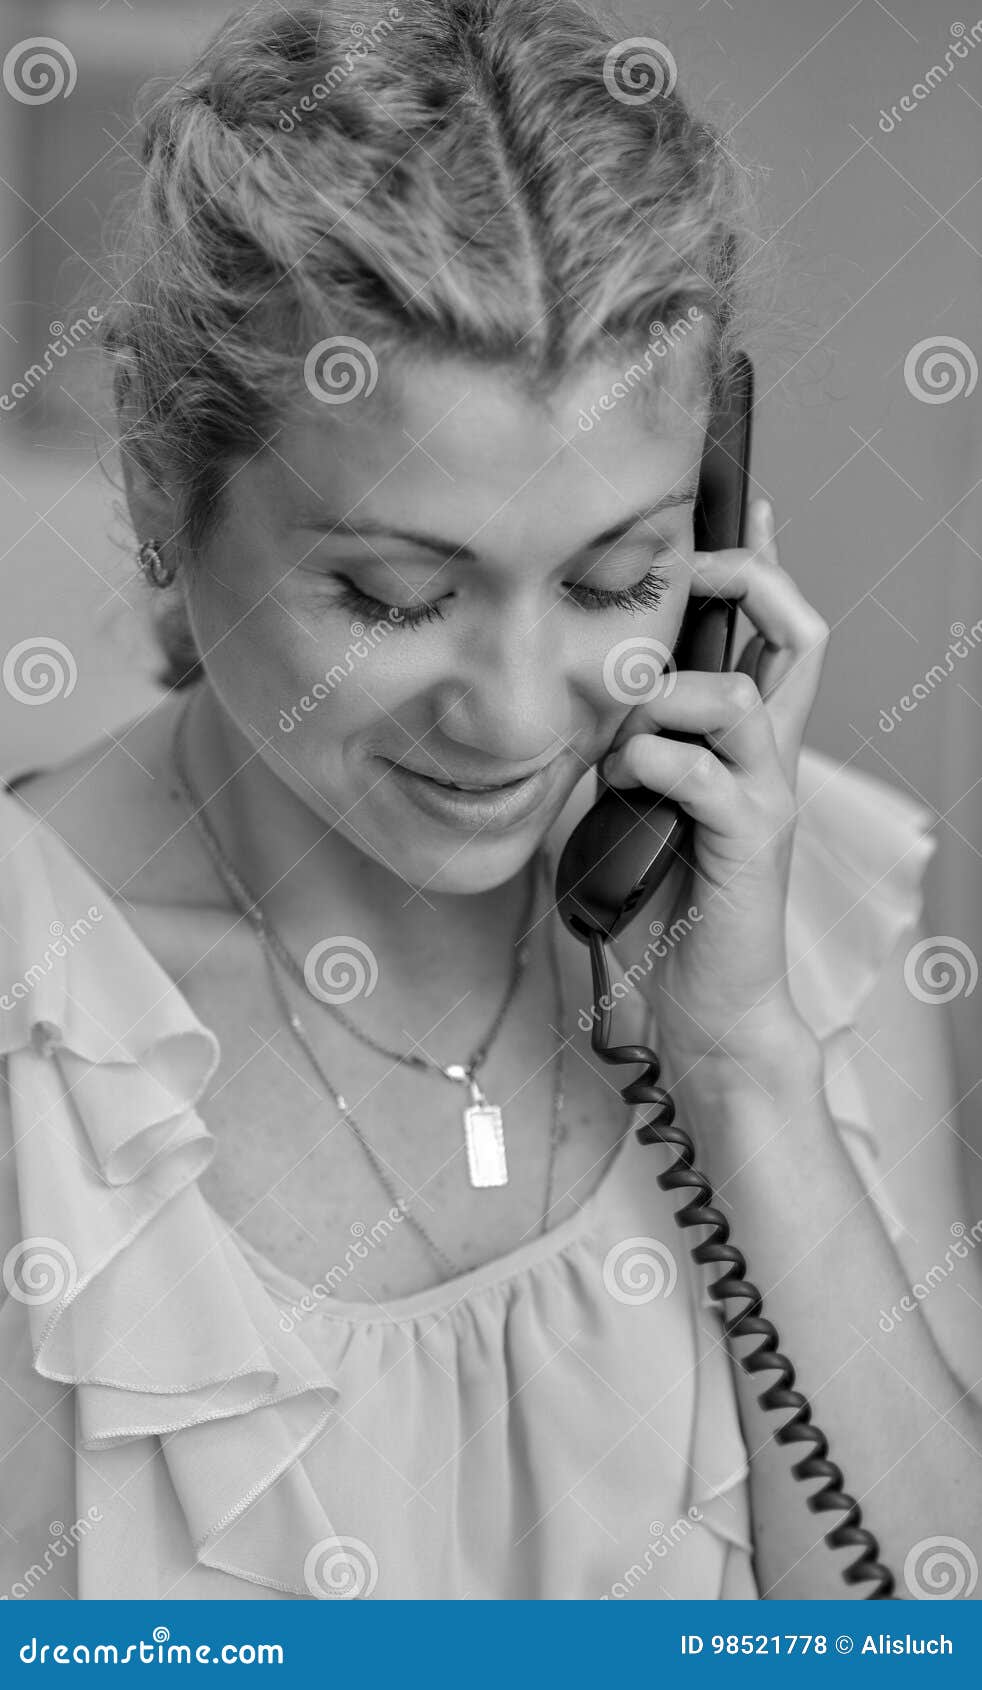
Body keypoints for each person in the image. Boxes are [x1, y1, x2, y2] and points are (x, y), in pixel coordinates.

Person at [1, 0, 980, 1605]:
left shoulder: (809, 922)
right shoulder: (37, 1016)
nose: (520, 716)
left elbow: (923, 1623)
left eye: (617, 578)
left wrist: (745, 1071)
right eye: (393, 595)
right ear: (157, 477)